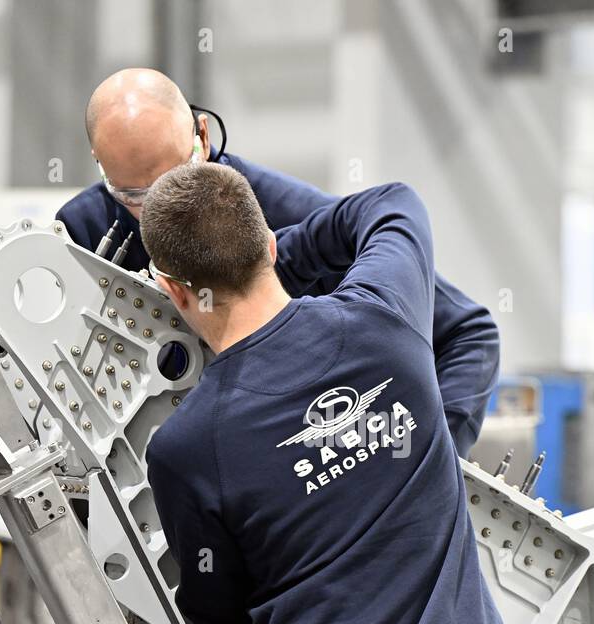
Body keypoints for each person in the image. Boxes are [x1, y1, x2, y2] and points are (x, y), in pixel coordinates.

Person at [139, 161, 531, 624]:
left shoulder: (185, 448)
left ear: (172, 290)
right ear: (270, 246)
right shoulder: (385, 315)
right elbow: (394, 202)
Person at [57, 67, 498, 455]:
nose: (163, 209)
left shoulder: (300, 219)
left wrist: (434, 457)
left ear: (203, 136)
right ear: (102, 169)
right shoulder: (83, 235)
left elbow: (467, 334)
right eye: (137, 196)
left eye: (177, 177)